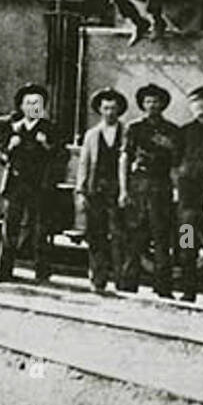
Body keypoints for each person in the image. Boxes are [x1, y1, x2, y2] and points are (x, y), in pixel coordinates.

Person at [0, 83, 64, 283]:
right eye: (29, 103)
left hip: (39, 186)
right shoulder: (12, 128)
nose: (33, 108)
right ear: (22, 107)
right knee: (10, 228)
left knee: (40, 230)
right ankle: (3, 270)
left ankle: (42, 272)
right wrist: (8, 149)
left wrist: (46, 145)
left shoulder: (50, 129)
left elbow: (60, 155)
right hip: (16, 184)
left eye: (38, 104)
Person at [120, 83, 182, 298]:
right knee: (135, 237)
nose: (152, 105)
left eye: (155, 101)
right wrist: (123, 189)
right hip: (138, 186)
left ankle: (163, 288)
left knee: (162, 238)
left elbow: (175, 164)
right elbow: (125, 157)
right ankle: (129, 284)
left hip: (161, 186)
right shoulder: (134, 128)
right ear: (142, 105)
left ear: (162, 104)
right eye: (147, 101)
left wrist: (176, 191)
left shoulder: (173, 130)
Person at [76, 88, 128, 295]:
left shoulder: (125, 132)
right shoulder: (91, 135)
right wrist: (80, 191)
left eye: (113, 108)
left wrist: (125, 191)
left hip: (116, 192)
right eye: (106, 108)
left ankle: (120, 280)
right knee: (96, 237)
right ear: (99, 110)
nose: (109, 112)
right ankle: (98, 279)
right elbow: (84, 164)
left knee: (118, 236)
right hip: (95, 191)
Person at [174, 86, 203, 301]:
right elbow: (174, 164)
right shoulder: (182, 133)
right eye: (195, 102)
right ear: (191, 107)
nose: (200, 106)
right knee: (187, 246)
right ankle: (188, 291)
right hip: (187, 202)